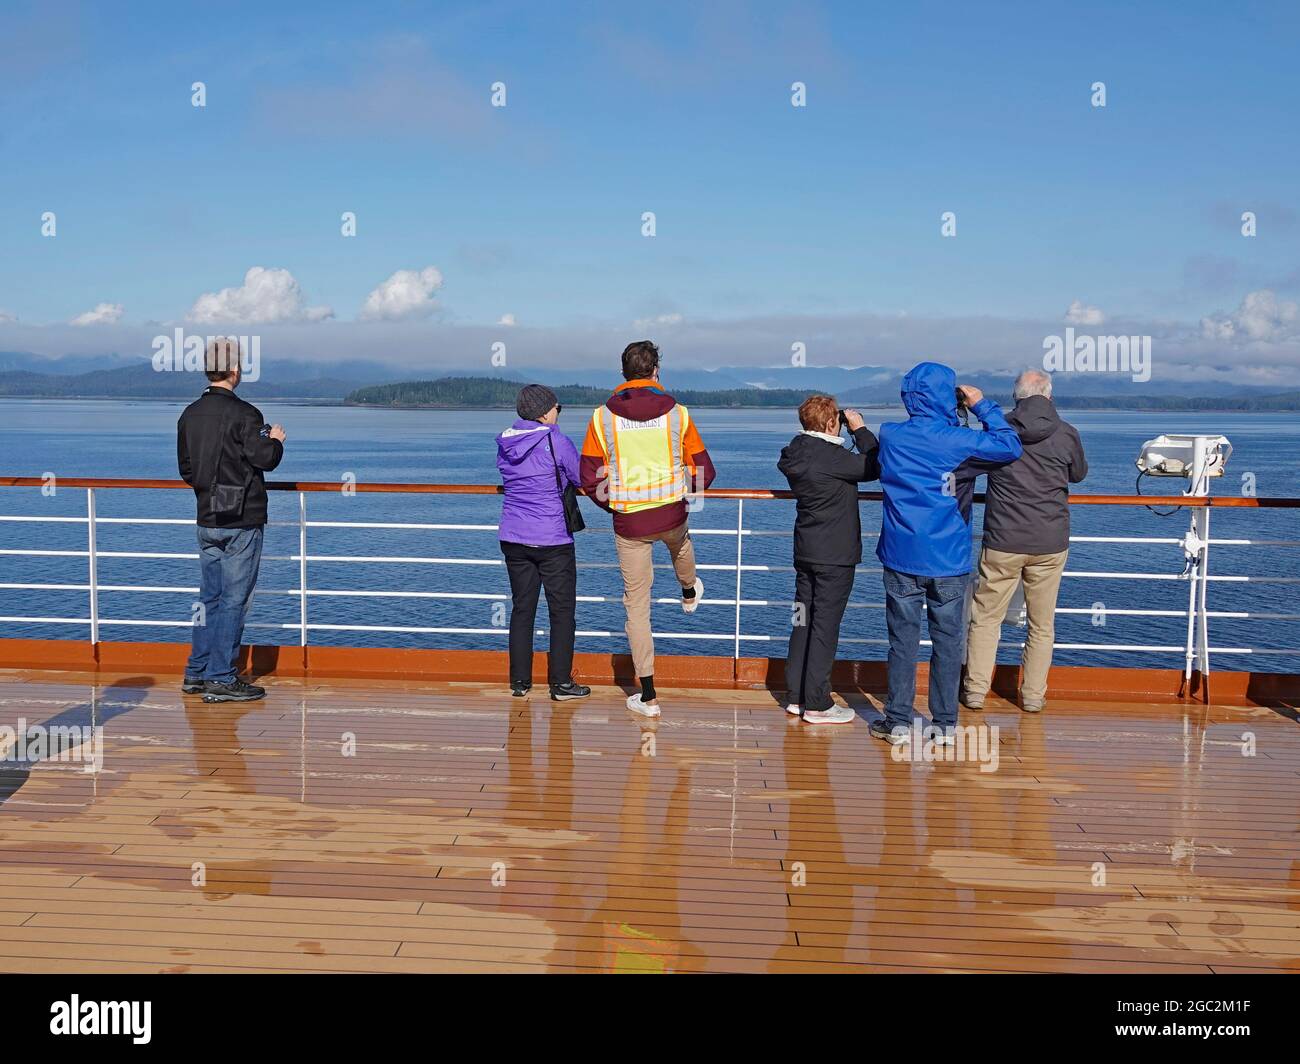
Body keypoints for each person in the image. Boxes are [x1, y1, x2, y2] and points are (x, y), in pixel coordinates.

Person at [870, 361, 1022, 746]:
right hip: (948, 557)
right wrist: (981, 405)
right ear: (946, 397)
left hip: (901, 553)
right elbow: (1009, 446)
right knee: (948, 641)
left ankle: (898, 721)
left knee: (902, 642)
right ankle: (944, 726)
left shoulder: (891, 435)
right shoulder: (958, 441)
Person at [580, 340, 716, 718]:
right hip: (671, 513)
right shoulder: (679, 414)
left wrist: (613, 501)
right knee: (681, 543)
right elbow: (706, 470)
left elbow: (588, 477)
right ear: (656, 371)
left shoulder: (601, 417)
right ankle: (689, 589)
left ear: (623, 373)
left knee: (636, 608)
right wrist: (684, 489)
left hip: (630, 522)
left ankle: (650, 696)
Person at [960, 369, 1087, 713]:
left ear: (1016, 396)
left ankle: (975, 690)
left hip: (1004, 539)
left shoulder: (1000, 430)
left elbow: (970, 462)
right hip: (1049, 541)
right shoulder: (1066, 433)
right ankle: (1031, 695)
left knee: (986, 617)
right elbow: (1077, 474)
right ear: (1048, 395)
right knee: (1041, 624)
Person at [177, 337, 285, 703]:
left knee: (210, 598)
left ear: (209, 371)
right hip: (241, 519)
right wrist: (276, 440)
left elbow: (186, 468)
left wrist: (209, 489)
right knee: (235, 600)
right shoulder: (246, 415)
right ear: (235, 372)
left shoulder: (190, 414)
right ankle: (221, 676)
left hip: (206, 516)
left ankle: (197, 671)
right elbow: (264, 458)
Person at [778, 395, 880, 725]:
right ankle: (818, 703)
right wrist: (861, 430)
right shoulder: (834, 458)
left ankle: (796, 696)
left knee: (802, 621)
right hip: (834, 556)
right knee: (825, 626)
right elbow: (875, 466)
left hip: (806, 551)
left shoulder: (796, 451)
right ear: (829, 423)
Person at [496, 384, 591, 702]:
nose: (558, 412)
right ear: (544, 412)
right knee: (562, 612)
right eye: (557, 408)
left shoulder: (506, 442)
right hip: (552, 539)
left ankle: (520, 682)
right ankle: (561, 683)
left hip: (513, 536)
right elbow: (581, 479)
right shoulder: (555, 439)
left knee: (523, 608)